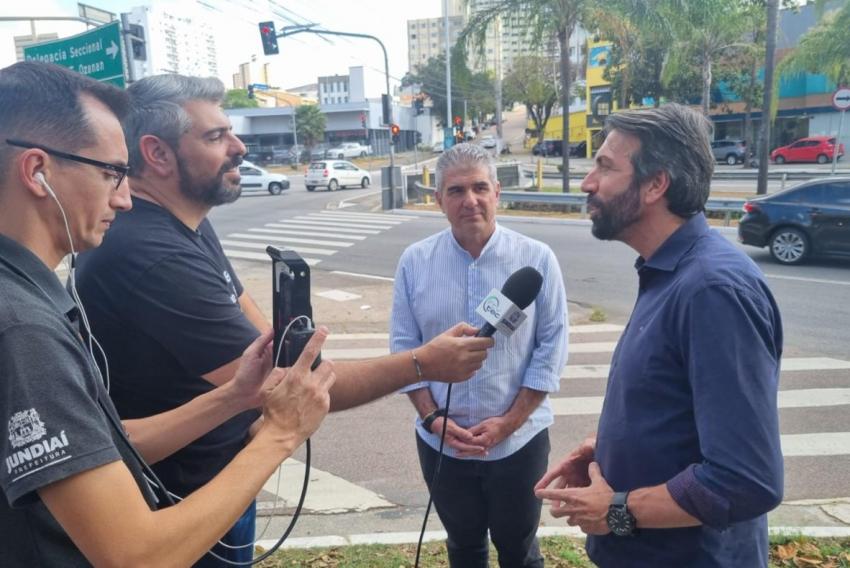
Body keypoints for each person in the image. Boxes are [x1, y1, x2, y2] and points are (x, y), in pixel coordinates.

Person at [74, 74, 494, 566]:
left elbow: (265, 344)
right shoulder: (154, 255)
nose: (238, 147)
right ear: (157, 154)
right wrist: (422, 363)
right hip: (179, 504)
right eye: (216, 136)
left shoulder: (186, 225)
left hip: (216, 479)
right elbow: (287, 381)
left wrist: (290, 366)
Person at [0, 60, 337, 567]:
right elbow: (137, 556)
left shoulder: (26, 292)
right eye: (111, 173)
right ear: (37, 172)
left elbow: (107, 445)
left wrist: (233, 396)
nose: (124, 199)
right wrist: (280, 433)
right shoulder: (23, 328)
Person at [534, 103, 783, 567]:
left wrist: (616, 510)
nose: (588, 183)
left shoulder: (712, 290)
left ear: (655, 185)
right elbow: (679, 407)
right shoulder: (670, 273)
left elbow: (746, 480)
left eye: (605, 166)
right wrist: (610, 451)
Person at [391, 143, 569, 567]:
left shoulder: (536, 260)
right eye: (456, 191)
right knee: (464, 547)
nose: (469, 200)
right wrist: (433, 418)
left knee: (518, 550)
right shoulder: (415, 262)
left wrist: (510, 422)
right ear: (438, 200)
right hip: (442, 442)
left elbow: (552, 347)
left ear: (497, 193)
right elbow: (403, 348)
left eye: (479, 188)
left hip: (518, 442)